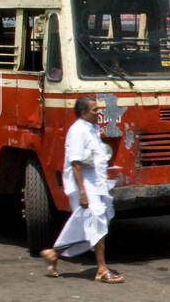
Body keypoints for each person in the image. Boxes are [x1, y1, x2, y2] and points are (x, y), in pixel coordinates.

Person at [40, 96, 124, 283]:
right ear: (84, 112)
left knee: (87, 223)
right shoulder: (77, 131)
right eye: (94, 110)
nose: (98, 112)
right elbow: (75, 163)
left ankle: (54, 253)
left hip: (95, 183)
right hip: (83, 184)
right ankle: (102, 269)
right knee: (97, 221)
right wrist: (83, 192)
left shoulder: (93, 129)